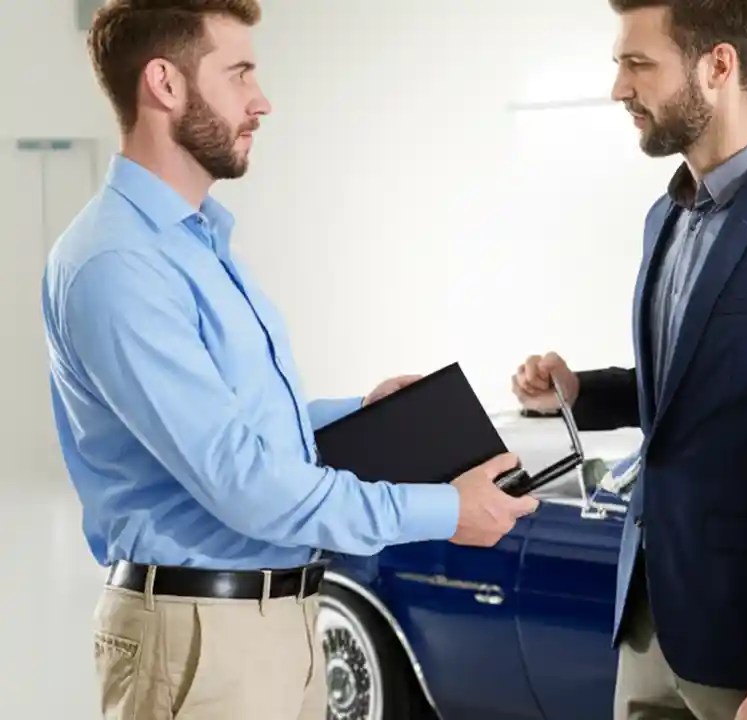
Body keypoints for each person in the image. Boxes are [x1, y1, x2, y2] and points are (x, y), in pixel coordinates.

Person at [42, 1, 536, 717]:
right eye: (239, 72)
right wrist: (442, 512)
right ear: (165, 84)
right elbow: (246, 484)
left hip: (275, 625)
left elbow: (229, 427)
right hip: (203, 642)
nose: (261, 101)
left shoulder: (194, 243)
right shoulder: (118, 263)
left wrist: (357, 413)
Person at [511, 1, 747, 718]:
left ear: (719, 66)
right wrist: (576, 392)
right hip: (649, 623)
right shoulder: (666, 216)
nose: (619, 89)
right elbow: (692, 393)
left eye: (638, 64)